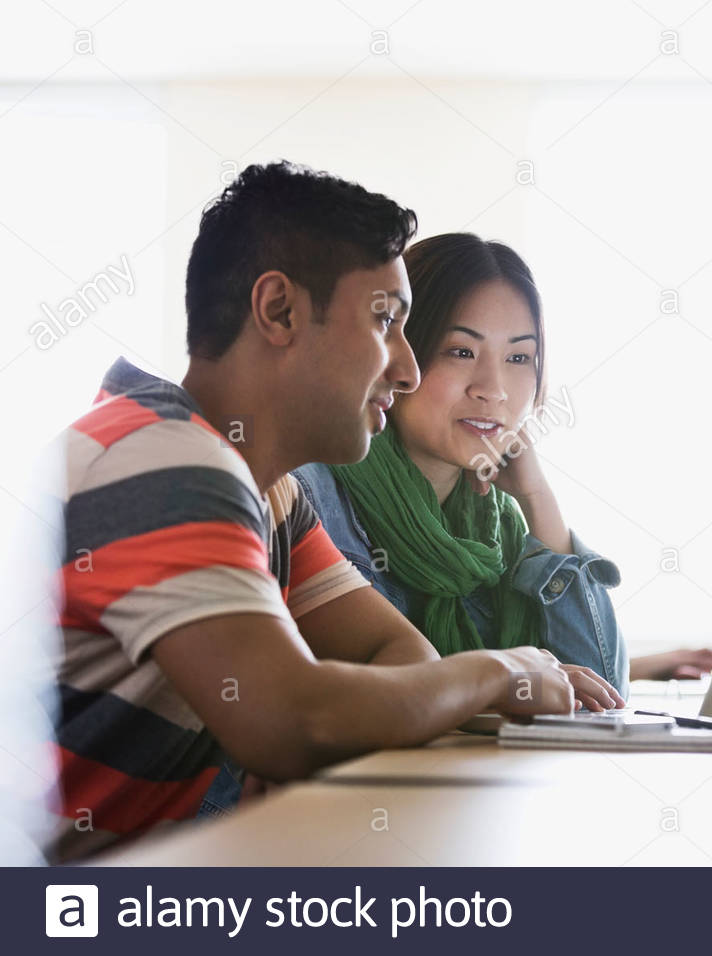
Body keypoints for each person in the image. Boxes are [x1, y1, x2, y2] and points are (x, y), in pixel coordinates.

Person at [50, 163, 579, 862]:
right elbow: (294, 720)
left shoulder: (269, 491)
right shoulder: (161, 460)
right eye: (386, 321)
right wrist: (500, 670)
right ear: (279, 311)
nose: (406, 369)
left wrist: (313, 718)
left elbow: (398, 656)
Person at [293, 233, 712, 704]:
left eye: (519, 357)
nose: (493, 388)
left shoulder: (499, 531)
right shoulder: (310, 495)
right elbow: (345, 702)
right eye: (461, 351)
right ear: (400, 356)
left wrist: (539, 500)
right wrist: (496, 684)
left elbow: (604, 700)